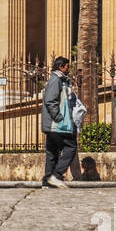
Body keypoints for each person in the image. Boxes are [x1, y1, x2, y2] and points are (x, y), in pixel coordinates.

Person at [40, 56, 80, 187]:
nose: (68, 69)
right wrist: (59, 117)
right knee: (71, 147)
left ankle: (47, 180)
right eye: (67, 67)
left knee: (52, 151)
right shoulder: (55, 80)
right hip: (55, 124)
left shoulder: (60, 80)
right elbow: (50, 101)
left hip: (52, 124)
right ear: (61, 66)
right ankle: (56, 175)